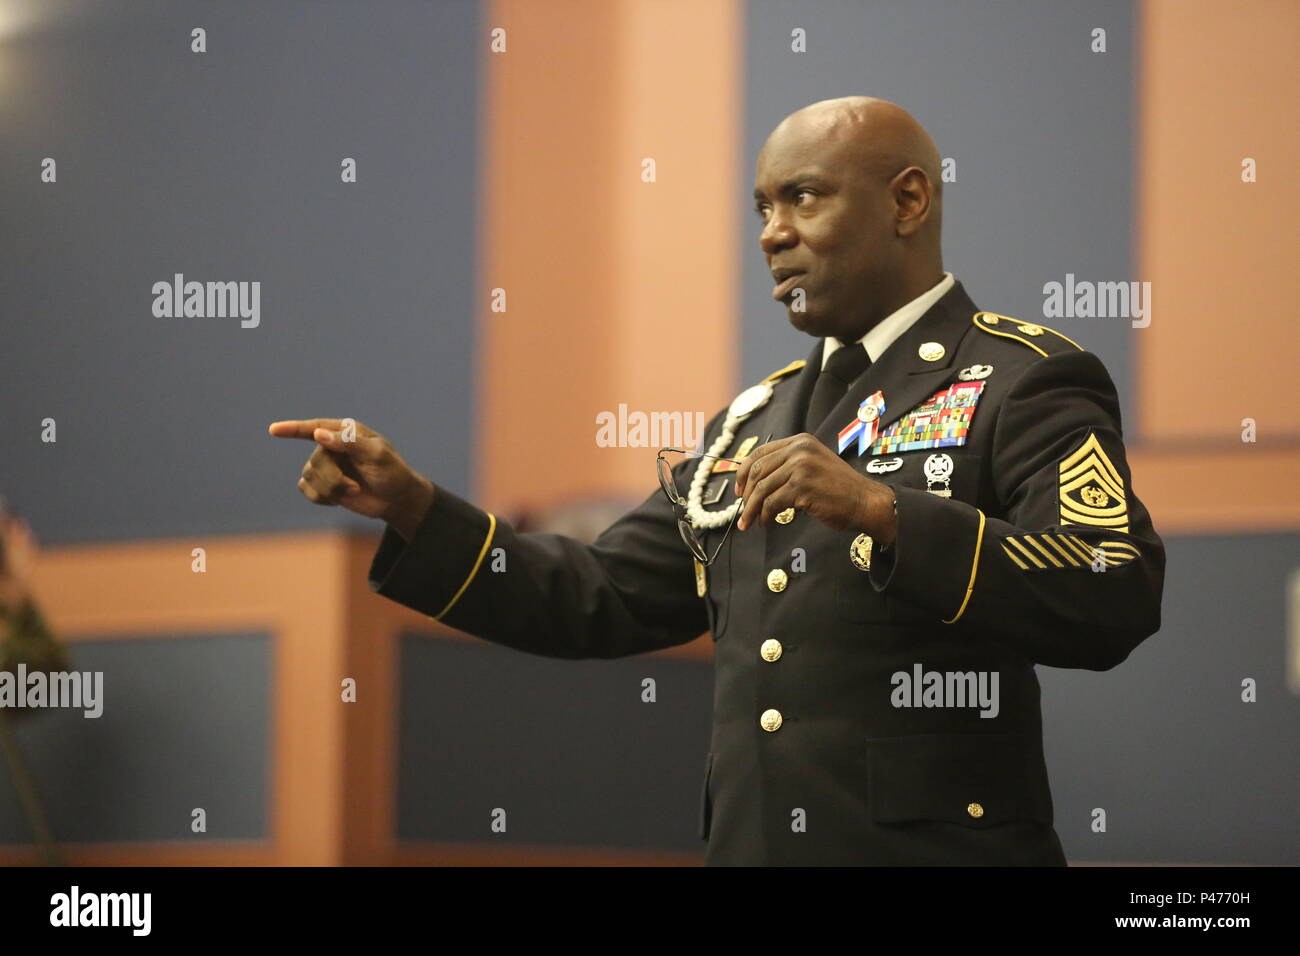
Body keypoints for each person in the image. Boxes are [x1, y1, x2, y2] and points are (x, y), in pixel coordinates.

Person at [269, 96, 1165, 865]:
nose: (773, 234)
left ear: (908, 200)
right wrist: (416, 509)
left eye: (804, 197)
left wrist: (887, 513)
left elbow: (1112, 585)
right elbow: (604, 594)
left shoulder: (1023, 377)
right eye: (762, 207)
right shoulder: (753, 420)